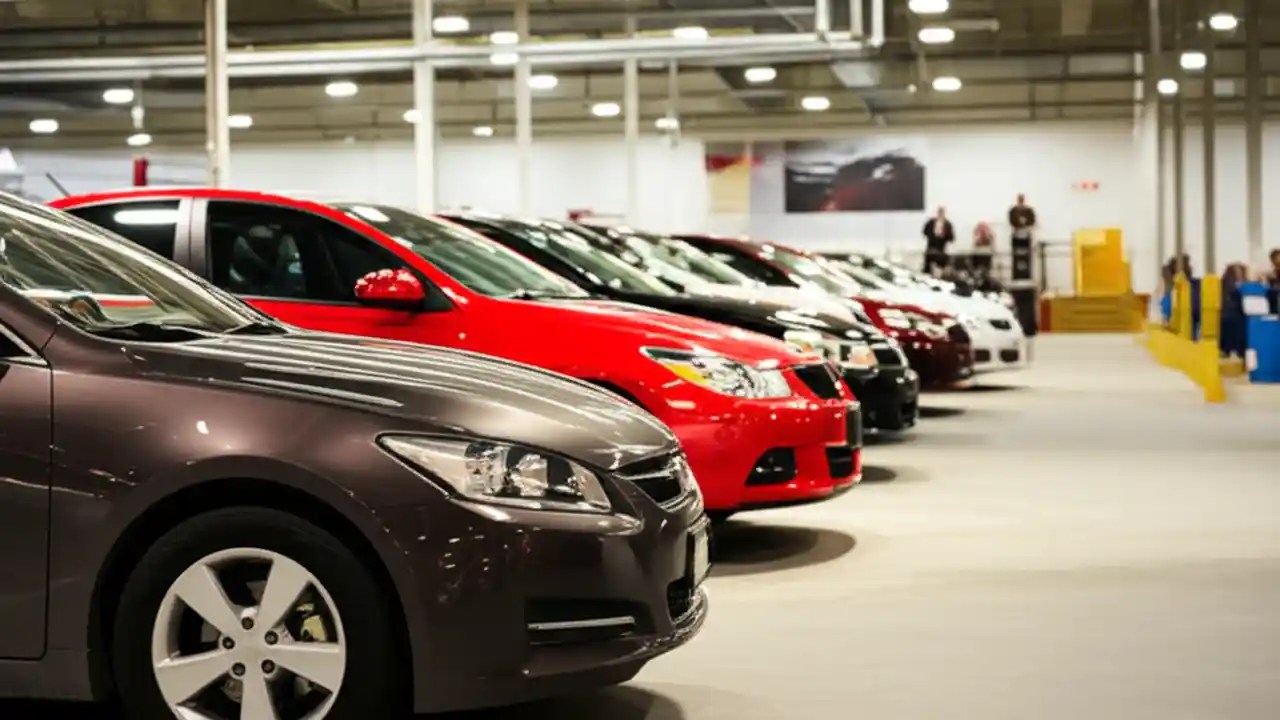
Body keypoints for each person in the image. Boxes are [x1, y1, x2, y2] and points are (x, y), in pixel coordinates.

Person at [921, 206, 954, 274]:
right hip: (931, 248)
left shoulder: (947, 224)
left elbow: (951, 238)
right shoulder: (931, 222)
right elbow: (925, 232)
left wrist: (943, 234)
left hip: (941, 249)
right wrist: (934, 234)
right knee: (927, 266)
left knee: (943, 264)